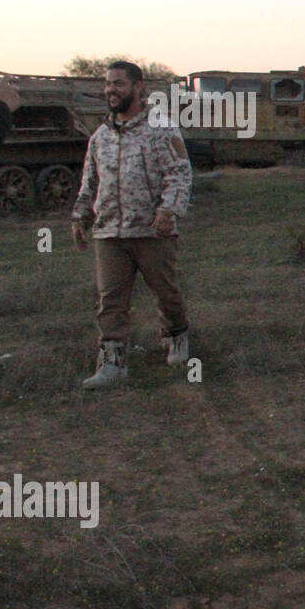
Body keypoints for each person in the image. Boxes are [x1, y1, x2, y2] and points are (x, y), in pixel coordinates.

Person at [71, 62, 193, 388]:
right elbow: (90, 181)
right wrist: (80, 216)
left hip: (152, 231)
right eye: (109, 84)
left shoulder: (161, 128)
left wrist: (168, 212)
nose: (111, 90)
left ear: (139, 87)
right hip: (109, 231)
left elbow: (179, 173)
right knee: (110, 298)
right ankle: (112, 363)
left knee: (165, 291)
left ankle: (177, 334)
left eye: (119, 84)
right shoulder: (100, 137)